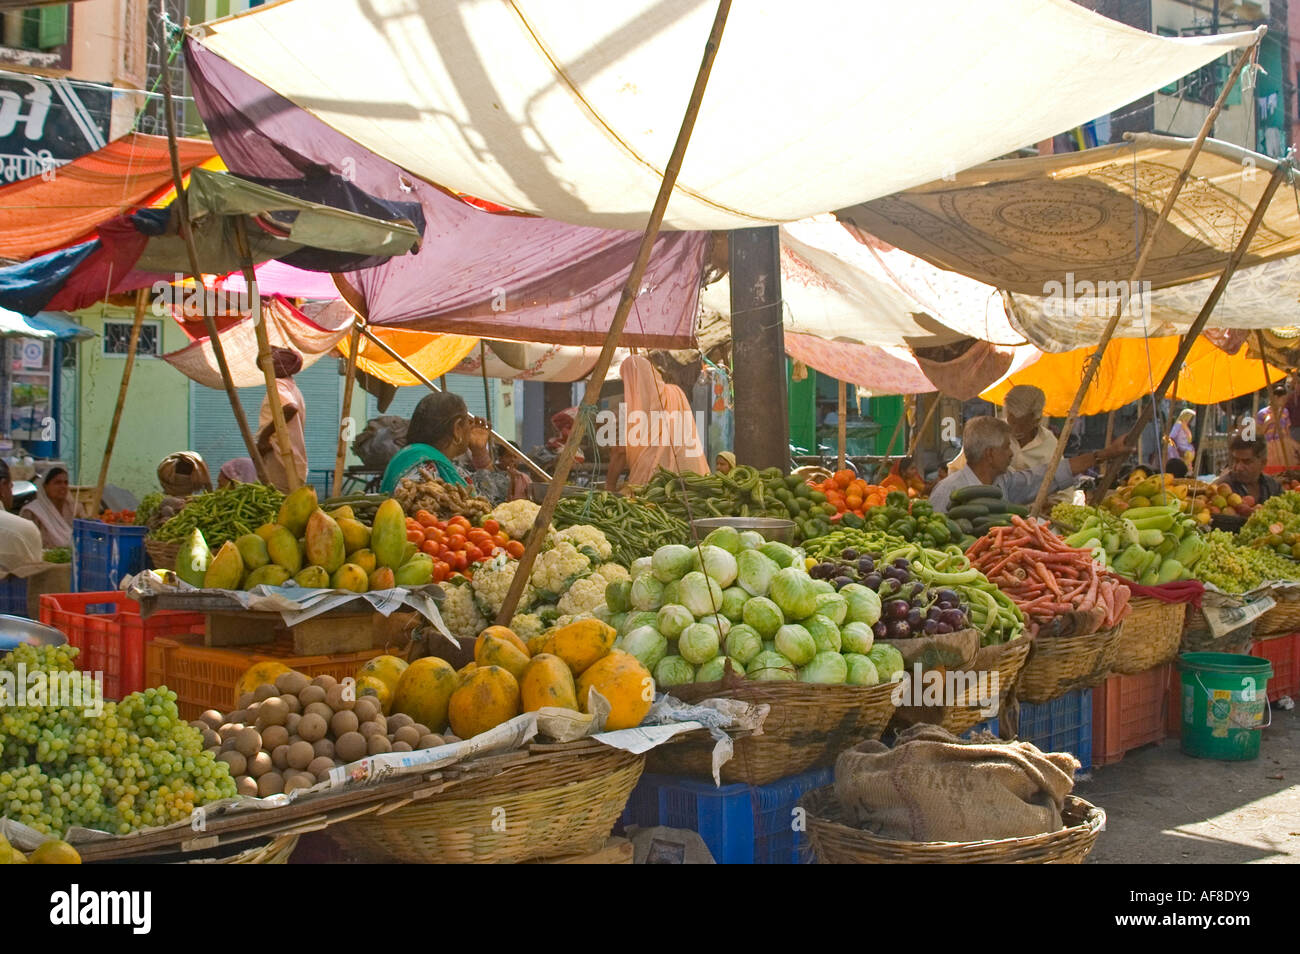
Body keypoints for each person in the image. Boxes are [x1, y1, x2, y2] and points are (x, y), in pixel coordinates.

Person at [930, 417, 1129, 514]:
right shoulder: (948, 491)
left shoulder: (1002, 484)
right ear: (990, 454)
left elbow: (1046, 475)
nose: (1011, 453)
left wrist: (1106, 454)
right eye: (1007, 447)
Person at [606, 354, 709, 491]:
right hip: (691, 477)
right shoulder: (676, 392)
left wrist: (610, 485)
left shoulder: (635, 410)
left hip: (651, 482)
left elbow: (620, 451)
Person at [380, 391, 493, 494]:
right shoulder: (431, 470)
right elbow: (489, 505)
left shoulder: (406, 459)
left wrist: (480, 452)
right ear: (457, 428)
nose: (471, 427)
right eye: (468, 421)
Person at [947, 385, 1057, 473]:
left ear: (1036, 420)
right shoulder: (988, 434)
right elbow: (956, 469)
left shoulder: (1050, 443)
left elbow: (1062, 491)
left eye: (1022, 424)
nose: (1015, 428)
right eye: (1012, 422)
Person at [257, 347, 309, 492]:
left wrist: (263, 438)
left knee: (277, 500)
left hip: (279, 452)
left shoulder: (278, 385)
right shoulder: (291, 387)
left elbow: (290, 408)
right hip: (289, 455)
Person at [0, 460, 44, 576]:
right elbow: (35, 579)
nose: (12, 487)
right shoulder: (23, 528)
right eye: (10, 484)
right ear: (2, 485)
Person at [20, 467, 76, 549]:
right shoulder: (32, 512)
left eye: (66, 482)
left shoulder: (71, 508)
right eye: (58, 482)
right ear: (45, 486)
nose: (63, 486)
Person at [1217, 435, 1281, 505]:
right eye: (1236, 460)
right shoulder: (1223, 488)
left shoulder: (1272, 486)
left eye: (1247, 462)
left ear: (1263, 463)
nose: (1238, 468)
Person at [1257, 384, 1300, 469]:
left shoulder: (1285, 411)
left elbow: (1287, 431)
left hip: (1283, 446)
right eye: (1283, 399)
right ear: (1276, 398)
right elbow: (1259, 433)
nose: (1285, 402)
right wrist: (1269, 422)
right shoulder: (1263, 413)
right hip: (1270, 446)